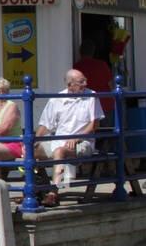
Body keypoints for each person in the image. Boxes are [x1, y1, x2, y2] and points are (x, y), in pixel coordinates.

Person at [33, 69, 103, 206]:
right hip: (58, 140)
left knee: (60, 151)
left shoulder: (91, 96)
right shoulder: (57, 98)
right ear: (70, 84)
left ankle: (53, 193)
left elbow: (94, 124)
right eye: (81, 81)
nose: (85, 83)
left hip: (83, 142)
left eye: (85, 80)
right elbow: (45, 124)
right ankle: (32, 192)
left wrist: (77, 137)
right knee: (29, 151)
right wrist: (35, 140)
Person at [73, 40, 114, 116]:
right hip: (105, 105)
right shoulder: (102, 65)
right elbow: (112, 86)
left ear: (80, 52)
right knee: (108, 128)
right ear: (93, 52)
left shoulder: (75, 68)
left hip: (86, 107)